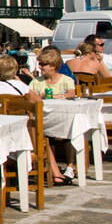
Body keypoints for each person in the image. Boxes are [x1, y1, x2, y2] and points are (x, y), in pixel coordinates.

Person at [26, 48, 78, 183]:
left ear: (53, 66)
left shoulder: (66, 80)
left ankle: (70, 166)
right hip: (45, 119)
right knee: (45, 132)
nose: (40, 67)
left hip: (64, 116)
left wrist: (54, 96)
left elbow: (71, 94)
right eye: (40, 64)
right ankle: (51, 168)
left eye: (43, 64)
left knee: (70, 129)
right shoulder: (36, 82)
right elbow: (29, 99)